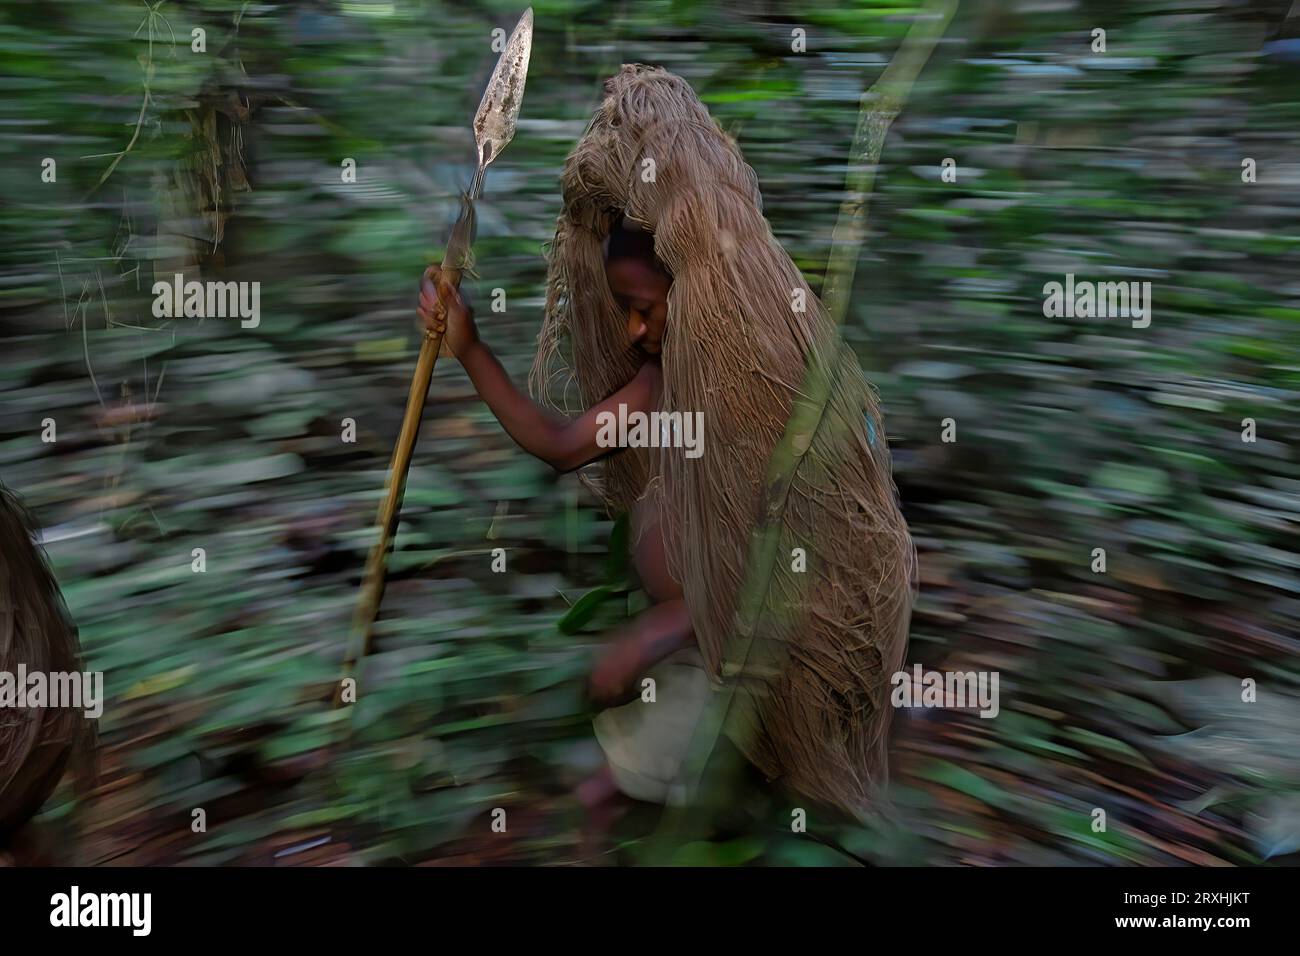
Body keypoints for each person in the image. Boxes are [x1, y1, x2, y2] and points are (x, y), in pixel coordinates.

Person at [420, 63, 916, 823]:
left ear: (693, 293)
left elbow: (779, 563)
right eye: (622, 309)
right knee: (639, 786)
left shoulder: (765, 392)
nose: (633, 331)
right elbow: (559, 443)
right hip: (704, 660)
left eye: (645, 308)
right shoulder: (656, 387)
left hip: (750, 661)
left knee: (611, 795)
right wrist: (470, 348)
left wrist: (662, 629)